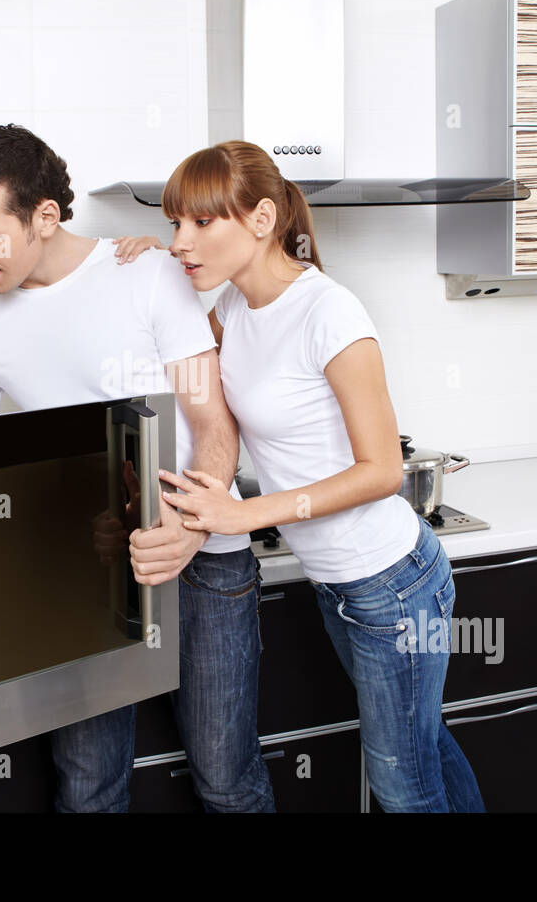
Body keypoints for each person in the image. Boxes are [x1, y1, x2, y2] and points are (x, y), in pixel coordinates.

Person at [127, 140, 486, 812]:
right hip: (340, 585)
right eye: (175, 223)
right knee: (423, 748)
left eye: (202, 223)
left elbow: (382, 471)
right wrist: (136, 263)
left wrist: (246, 514)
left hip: (392, 586)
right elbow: (175, 340)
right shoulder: (234, 308)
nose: (182, 241)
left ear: (262, 220)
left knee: (402, 783)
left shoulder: (330, 312)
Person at [0, 124, 275, 812]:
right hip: (84, 570)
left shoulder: (149, 273)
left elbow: (214, 425)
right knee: (88, 788)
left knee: (227, 782)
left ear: (44, 216)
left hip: (206, 561)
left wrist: (187, 530)